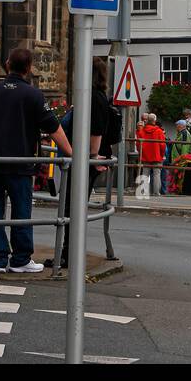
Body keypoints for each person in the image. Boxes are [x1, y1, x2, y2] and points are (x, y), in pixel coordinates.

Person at [0, 48, 71, 274]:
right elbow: (53, 127)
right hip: (20, 163)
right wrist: (71, 152)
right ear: (28, 68)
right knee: (21, 210)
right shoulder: (33, 95)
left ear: (7, 64)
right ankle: (21, 259)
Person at [54, 62, 121, 269]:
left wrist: (92, 155)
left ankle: (69, 255)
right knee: (71, 206)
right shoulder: (96, 96)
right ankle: (68, 253)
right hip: (84, 158)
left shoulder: (93, 98)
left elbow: (96, 131)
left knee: (72, 207)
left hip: (84, 160)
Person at [137, 113, 165, 196]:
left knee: (145, 173)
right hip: (156, 155)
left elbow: (138, 144)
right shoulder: (159, 131)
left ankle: (143, 192)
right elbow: (162, 145)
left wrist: (141, 153)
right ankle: (156, 192)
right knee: (157, 174)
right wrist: (162, 155)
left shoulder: (142, 131)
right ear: (154, 121)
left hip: (145, 155)